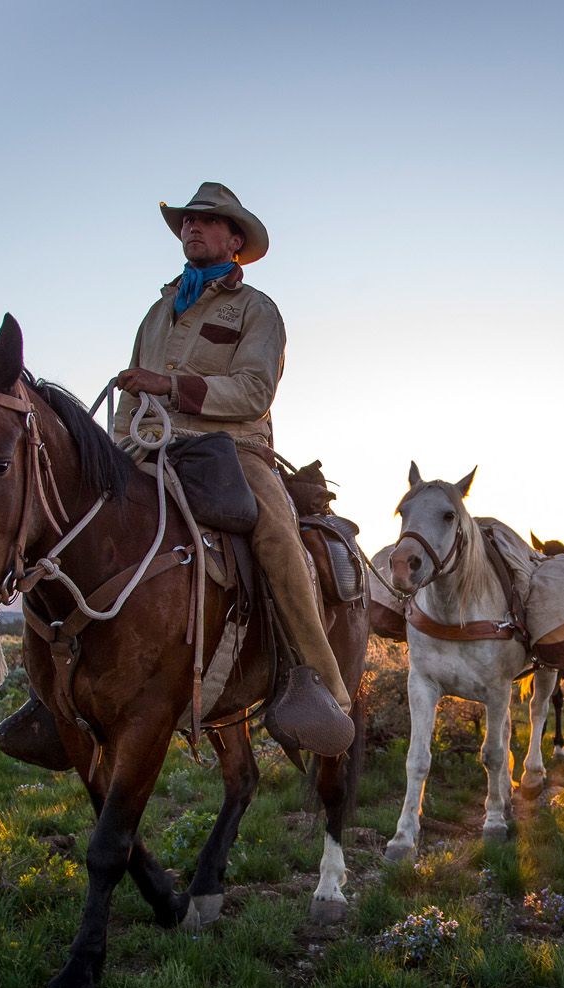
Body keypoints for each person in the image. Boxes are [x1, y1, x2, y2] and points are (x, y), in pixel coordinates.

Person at [113, 182, 354, 743]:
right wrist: (116, 447)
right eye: (186, 222)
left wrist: (171, 384)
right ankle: (54, 688)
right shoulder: (156, 312)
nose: (191, 228)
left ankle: (319, 682)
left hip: (231, 449)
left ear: (235, 239)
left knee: (276, 535)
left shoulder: (256, 310)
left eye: (206, 221)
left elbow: (253, 390)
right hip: (149, 447)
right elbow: (130, 391)